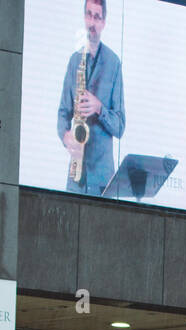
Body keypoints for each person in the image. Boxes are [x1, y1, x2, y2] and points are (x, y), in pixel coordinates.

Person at [58, 0, 125, 196]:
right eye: (88, 15)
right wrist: (66, 136)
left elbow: (120, 126)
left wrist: (99, 109)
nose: (91, 22)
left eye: (97, 17)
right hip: (76, 178)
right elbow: (63, 113)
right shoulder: (74, 61)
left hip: (102, 181)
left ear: (104, 22)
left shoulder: (114, 64)